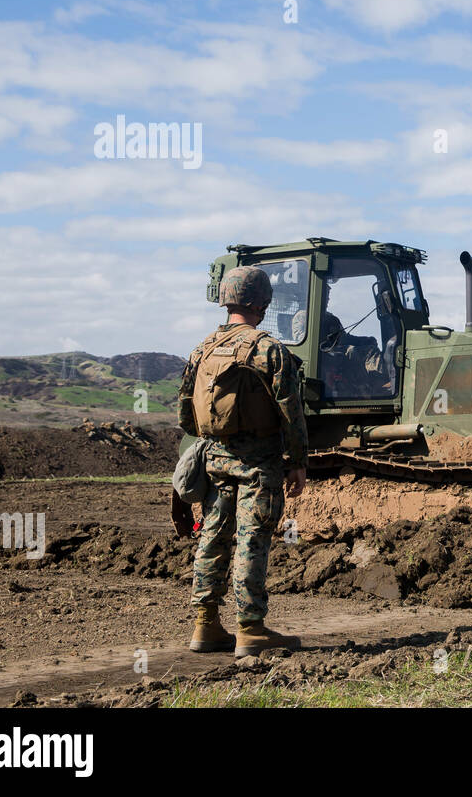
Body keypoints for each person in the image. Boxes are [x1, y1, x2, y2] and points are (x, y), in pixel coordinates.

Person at [177, 265, 309, 658]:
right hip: (259, 465)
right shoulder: (270, 349)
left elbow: (186, 413)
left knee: (213, 536)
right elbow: (292, 413)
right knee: (252, 539)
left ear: (227, 300)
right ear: (261, 303)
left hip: (215, 459)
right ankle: (250, 629)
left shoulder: (202, 349)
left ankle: (206, 625)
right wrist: (297, 461)